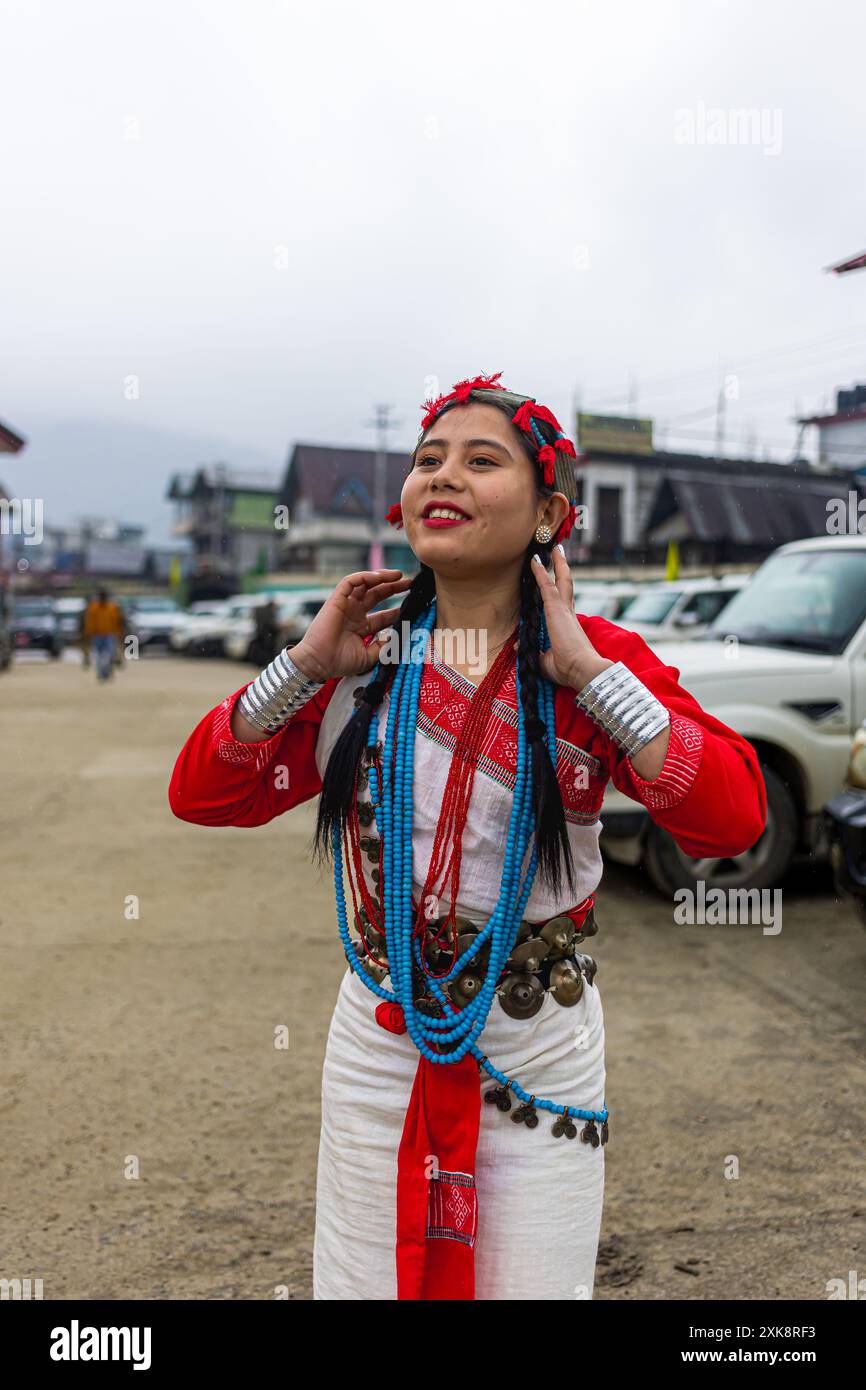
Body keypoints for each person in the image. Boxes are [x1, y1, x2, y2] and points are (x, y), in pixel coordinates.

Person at [168, 371, 766, 1301]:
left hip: (535, 1043)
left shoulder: (598, 660)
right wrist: (304, 663)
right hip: (380, 1036)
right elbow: (201, 794)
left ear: (547, 513)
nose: (440, 477)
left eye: (481, 461)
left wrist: (590, 678)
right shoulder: (358, 658)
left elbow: (732, 815)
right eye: (426, 461)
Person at [83, 587, 125, 680]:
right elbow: (90, 622)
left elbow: (117, 621)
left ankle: (107, 671)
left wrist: (118, 633)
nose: (103, 598)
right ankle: (100, 673)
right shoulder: (93, 608)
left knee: (110, 654)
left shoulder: (112, 607)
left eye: (104, 597)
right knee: (98, 655)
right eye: (101, 597)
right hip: (97, 635)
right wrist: (89, 633)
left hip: (109, 635)